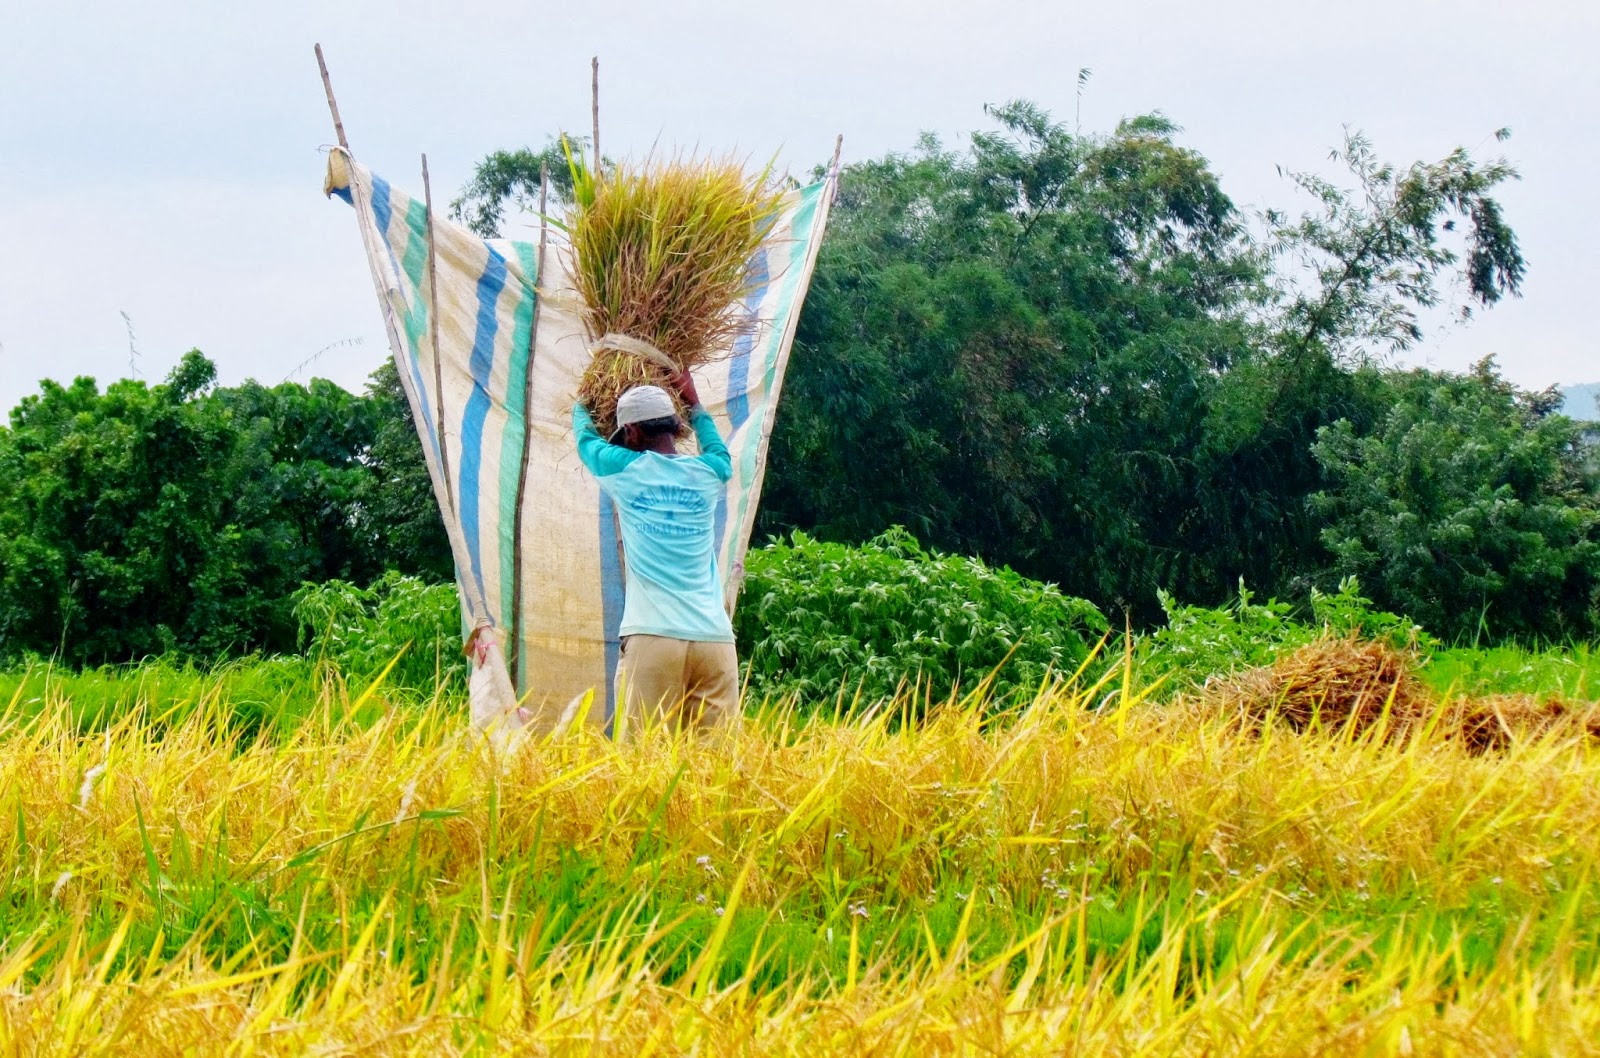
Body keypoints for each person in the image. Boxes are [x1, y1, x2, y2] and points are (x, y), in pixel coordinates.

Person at [573, 369, 738, 736]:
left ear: (631, 433)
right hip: (714, 640)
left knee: (645, 763)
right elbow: (718, 451)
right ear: (674, 425)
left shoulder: (628, 468)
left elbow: (586, 440)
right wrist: (695, 402)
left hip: (653, 638)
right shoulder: (709, 472)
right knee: (716, 770)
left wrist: (583, 401)